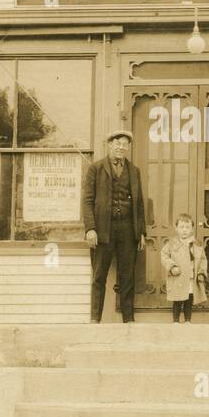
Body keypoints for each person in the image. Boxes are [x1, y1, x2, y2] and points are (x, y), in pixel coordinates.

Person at [82, 129, 146, 322]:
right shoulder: (96, 168)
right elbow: (87, 201)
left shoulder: (134, 171)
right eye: (117, 143)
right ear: (109, 145)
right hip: (103, 229)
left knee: (127, 275)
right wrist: (90, 228)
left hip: (127, 229)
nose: (121, 147)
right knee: (99, 276)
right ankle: (95, 319)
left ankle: (128, 319)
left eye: (125, 144)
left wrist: (141, 232)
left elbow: (140, 204)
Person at [160, 213, 208, 323]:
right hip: (178, 276)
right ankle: (176, 320)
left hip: (190, 276)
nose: (184, 230)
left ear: (192, 229)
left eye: (187, 227)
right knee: (177, 299)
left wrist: (201, 273)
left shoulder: (196, 244)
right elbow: (164, 255)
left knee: (189, 299)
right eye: (181, 227)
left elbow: (203, 259)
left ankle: (187, 320)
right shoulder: (172, 243)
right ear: (176, 228)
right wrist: (172, 267)